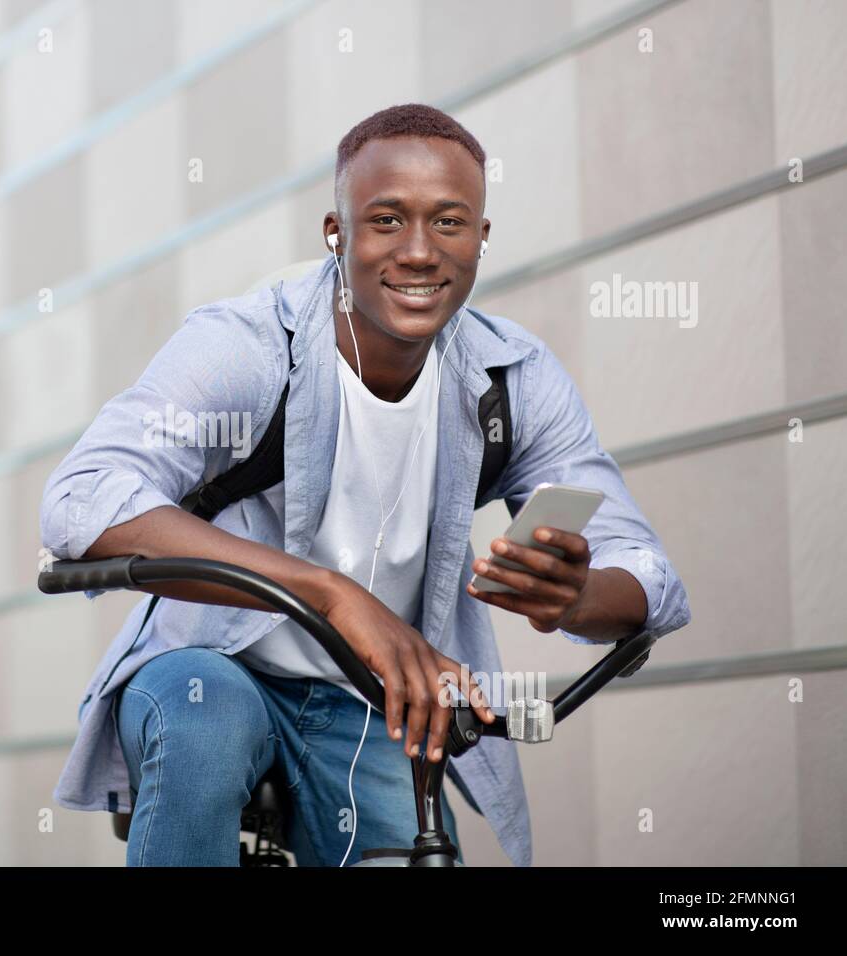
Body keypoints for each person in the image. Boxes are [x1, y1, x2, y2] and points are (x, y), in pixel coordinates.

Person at [39, 103, 691, 867]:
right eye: (386, 221)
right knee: (203, 722)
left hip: (374, 705)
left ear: (482, 238)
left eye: (449, 223)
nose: (419, 252)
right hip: (213, 674)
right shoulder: (247, 346)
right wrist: (333, 597)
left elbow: (650, 575)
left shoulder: (514, 381)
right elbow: (81, 495)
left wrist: (575, 596)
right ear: (336, 233)